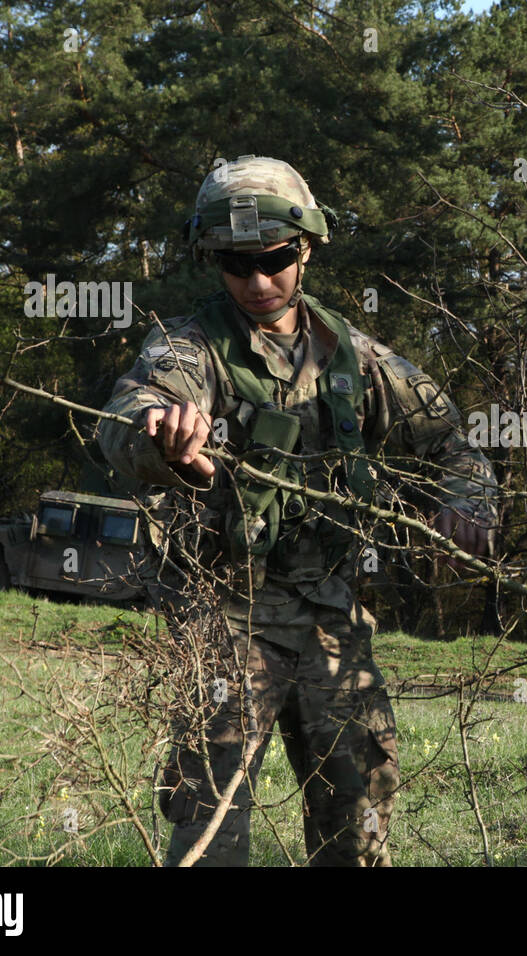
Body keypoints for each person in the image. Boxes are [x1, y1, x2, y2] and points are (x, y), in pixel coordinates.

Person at [96, 154, 497, 866]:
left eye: (275, 259)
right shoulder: (191, 347)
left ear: (306, 246)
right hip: (222, 620)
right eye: (234, 262)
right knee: (212, 834)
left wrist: (465, 502)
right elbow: (127, 417)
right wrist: (166, 438)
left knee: (361, 827)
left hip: (332, 622)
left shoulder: (355, 358)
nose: (256, 282)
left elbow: (455, 443)